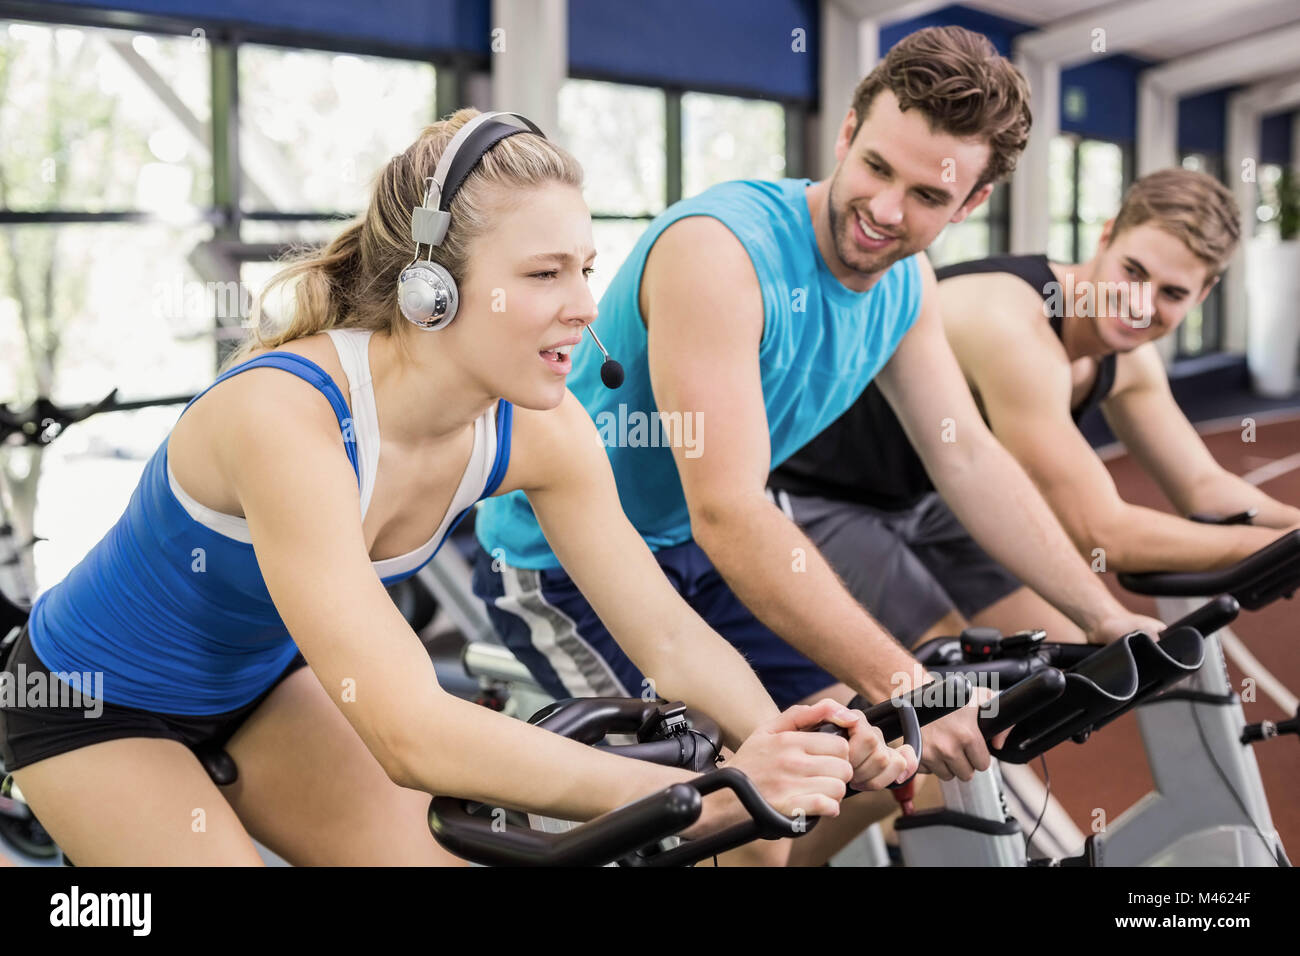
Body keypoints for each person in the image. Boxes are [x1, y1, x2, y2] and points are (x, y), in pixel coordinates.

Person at [0, 109, 912, 867]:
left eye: (585, 268)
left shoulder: (541, 427)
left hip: (264, 685)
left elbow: (668, 635)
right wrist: (697, 790)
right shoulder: (288, 418)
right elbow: (411, 735)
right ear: (431, 288)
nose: (587, 304)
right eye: (544, 274)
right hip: (94, 703)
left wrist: (784, 746)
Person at [472, 28, 1164, 864]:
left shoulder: (905, 285)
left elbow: (968, 459)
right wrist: (908, 682)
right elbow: (728, 508)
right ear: (844, 135)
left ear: (970, 205)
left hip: (698, 560)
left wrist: (1103, 615)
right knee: (729, 813)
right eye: (875, 167)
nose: (884, 210)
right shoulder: (721, 253)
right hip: (570, 563)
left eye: (926, 196)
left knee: (868, 767)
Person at [769, 167, 1300, 643]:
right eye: (1132, 271)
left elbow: (1204, 488)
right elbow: (1101, 533)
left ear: (1202, 296)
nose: (1141, 304)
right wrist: (1272, 546)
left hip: (931, 499)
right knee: (958, 675)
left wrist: (1291, 530)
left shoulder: (1131, 363)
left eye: (1172, 294)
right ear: (1107, 234)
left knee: (1071, 646)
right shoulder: (1012, 322)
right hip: (818, 495)